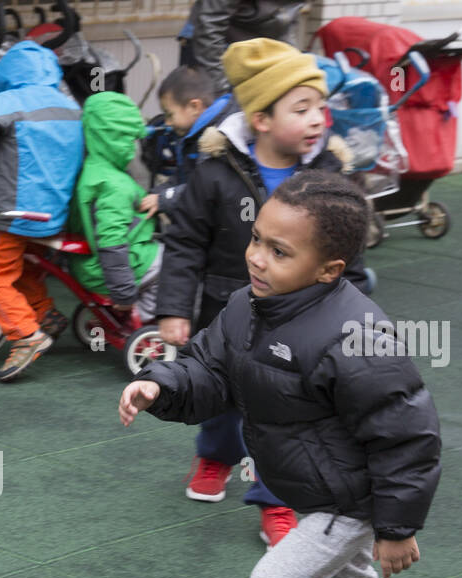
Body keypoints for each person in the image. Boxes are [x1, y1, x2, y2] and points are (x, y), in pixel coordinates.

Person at [119, 171, 462, 578]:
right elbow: (209, 370)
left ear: (328, 269)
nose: (257, 258)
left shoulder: (357, 334)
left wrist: (396, 525)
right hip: (313, 482)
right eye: (257, 239)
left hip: (352, 495)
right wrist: (162, 385)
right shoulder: (247, 305)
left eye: (280, 251)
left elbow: (405, 432)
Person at [153, 37, 371, 548]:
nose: (319, 117)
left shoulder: (328, 179)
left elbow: (350, 251)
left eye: (321, 106)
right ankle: (215, 453)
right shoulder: (213, 176)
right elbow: (184, 243)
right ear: (261, 120)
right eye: (302, 108)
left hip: (303, 319)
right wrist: (173, 309)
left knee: (289, 413)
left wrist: (357, 311)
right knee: (223, 398)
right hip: (226, 311)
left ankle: (277, 497)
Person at [0, 40, 84, 383]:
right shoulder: (71, 107)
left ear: (8, 72)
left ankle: (25, 335)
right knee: (22, 270)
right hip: (54, 213)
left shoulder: (5, 103)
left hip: (14, 213)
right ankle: (45, 314)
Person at [68, 92, 164, 325]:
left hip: (92, 263)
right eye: (128, 140)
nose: (132, 149)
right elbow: (112, 242)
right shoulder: (113, 186)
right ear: (113, 138)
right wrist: (123, 294)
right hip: (110, 268)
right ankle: (146, 319)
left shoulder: (94, 171)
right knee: (175, 263)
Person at [140, 64, 238, 219]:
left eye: (169, 114)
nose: (167, 123)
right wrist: (154, 194)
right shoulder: (191, 136)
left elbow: (206, 189)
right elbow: (182, 177)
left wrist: (164, 199)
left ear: (194, 106)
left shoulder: (218, 140)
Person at [178, 1, 306, 94]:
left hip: (252, 39)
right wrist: (222, 89)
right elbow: (209, 27)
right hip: (210, 42)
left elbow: (286, 24)